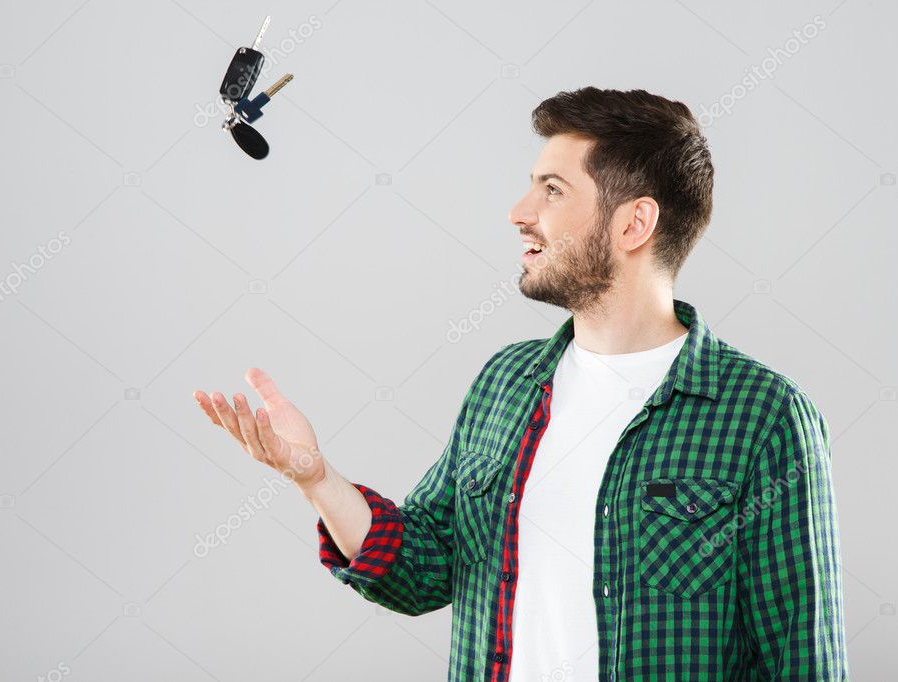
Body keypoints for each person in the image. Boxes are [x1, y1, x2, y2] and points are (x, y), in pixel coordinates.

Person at [194, 86, 849, 681]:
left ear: (633, 224)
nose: (518, 211)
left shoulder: (762, 417)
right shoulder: (505, 383)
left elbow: (803, 662)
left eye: (552, 190)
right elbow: (421, 569)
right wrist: (315, 479)